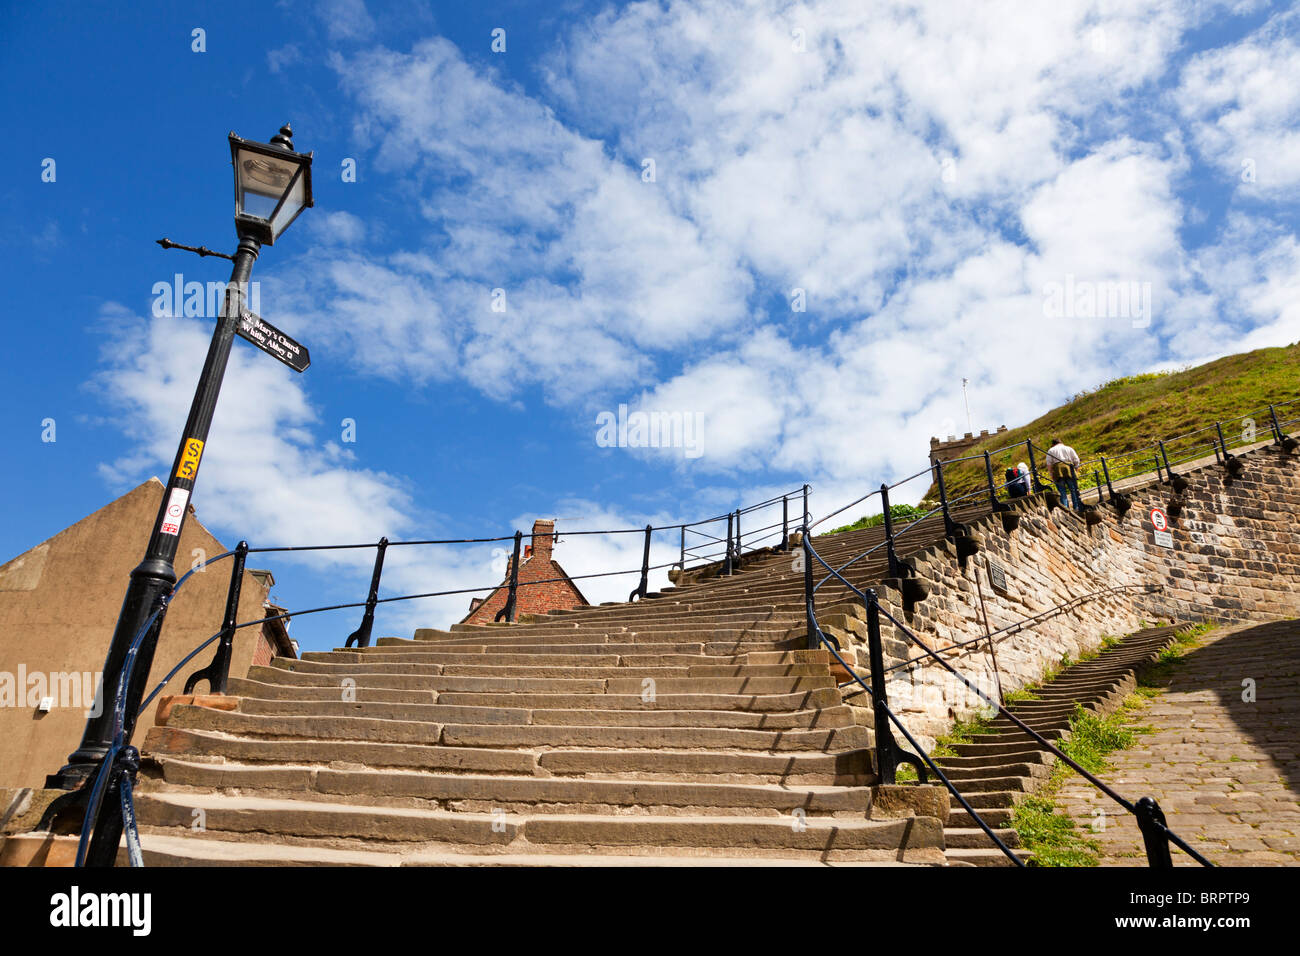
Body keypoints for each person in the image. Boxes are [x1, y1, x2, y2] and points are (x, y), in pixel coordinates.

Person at [1046, 438, 1083, 511]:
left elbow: (1049, 464)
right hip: (1069, 469)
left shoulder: (1051, 450)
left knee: (1062, 492)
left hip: (1058, 471)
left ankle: (1066, 510)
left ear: (1053, 444)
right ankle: (1077, 507)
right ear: (1061, 442)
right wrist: (1076, 469)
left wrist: (1051, 474)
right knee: (1073, 489)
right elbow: (1076, 460)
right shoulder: (1068, 448)